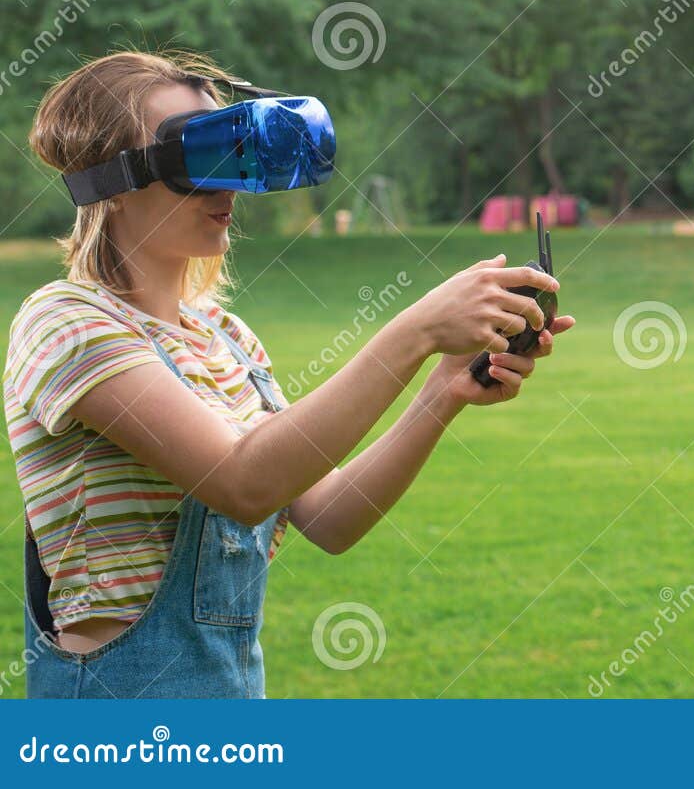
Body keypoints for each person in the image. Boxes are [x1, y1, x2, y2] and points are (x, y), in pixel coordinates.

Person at [3, 51, 575, 698]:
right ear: (115, 178)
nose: (229, 185)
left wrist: (440, 390)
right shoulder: (65, 323)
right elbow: (243, 481)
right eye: (200, 156)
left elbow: (328, 517)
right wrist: (412, 332)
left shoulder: (226, 338)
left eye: (235, 150)